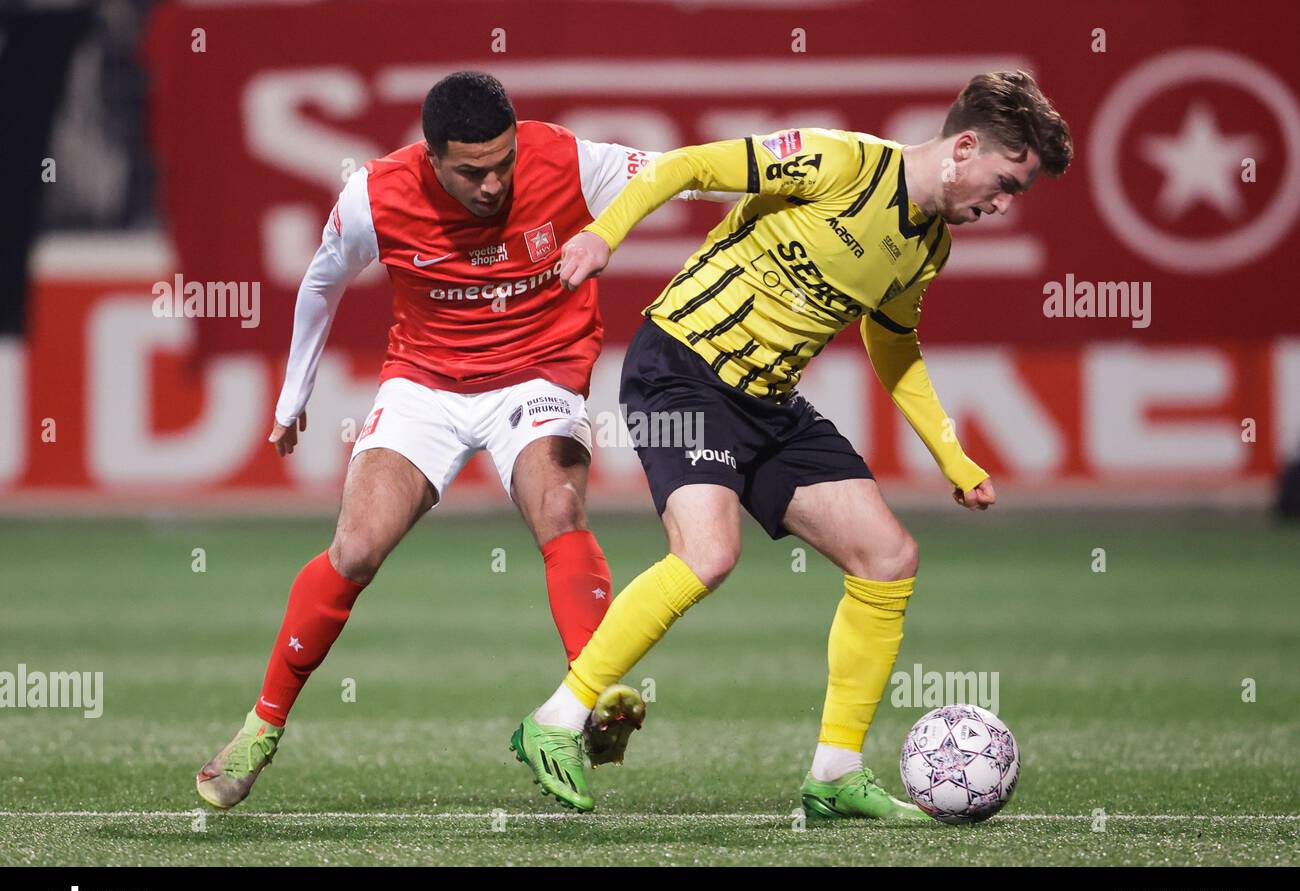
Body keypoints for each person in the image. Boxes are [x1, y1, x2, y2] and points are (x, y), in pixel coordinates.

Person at [509, 71, 1072, 816]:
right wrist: (604, 233)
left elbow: (893, 340)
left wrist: (953, 457)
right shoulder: (838, 161)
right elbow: (686, 166)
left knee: (888, 557)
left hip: (768, 403)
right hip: (682, 367)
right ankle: (554, 719)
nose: (1002, 204)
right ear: (965, 148)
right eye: (1007, 183)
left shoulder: (927, 247)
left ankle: (834, 774)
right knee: (707, 552)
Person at [196, 71, 727, 809]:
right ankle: (260, 727)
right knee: (355, 547)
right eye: (472, 171)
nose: (493, 184)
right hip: (426, 385)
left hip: (539, 375)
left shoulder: (567, 161)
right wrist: (293, 398)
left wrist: (787, 180)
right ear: (432, 158)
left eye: (504, 163)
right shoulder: (374, 198)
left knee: (561, 509)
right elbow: (320, 284)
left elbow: (681, 174)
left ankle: (587, 700)